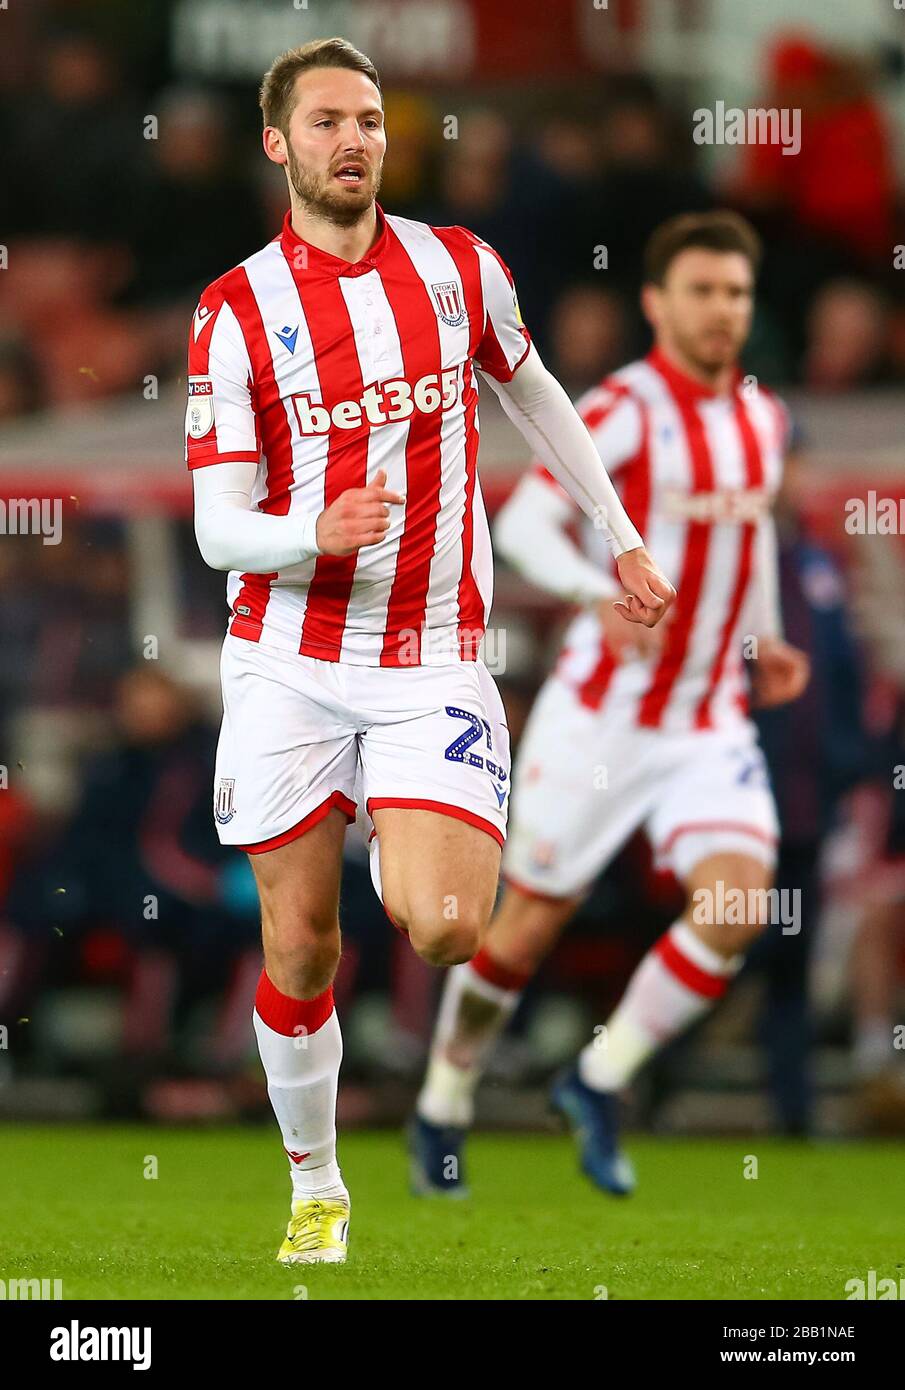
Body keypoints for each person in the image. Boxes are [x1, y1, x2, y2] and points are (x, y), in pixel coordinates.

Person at [186, 37, 674, 1263]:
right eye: (327, 122)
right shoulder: (236, 309)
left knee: (448, 926)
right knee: (299, 941)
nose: (351, 140)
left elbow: (537, 393)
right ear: (278, 143)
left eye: (367, 121)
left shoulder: (459, 271)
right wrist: (311, 529)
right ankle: (315, 1185)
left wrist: (616, 534)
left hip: (430, 657)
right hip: (286, 655)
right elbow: (213, 527)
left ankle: (398, 816)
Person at [411, 211, 810, 1197]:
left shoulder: (762, 417)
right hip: (599, 715)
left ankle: (596, 1078)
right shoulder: (625, 409)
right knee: (522, 929)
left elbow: (748, 537)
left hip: (706, 716)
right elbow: (523, 524)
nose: (721, 310)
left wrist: (765, 635)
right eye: (701, 291)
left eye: (734, 293)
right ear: (654, 302)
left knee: (734, 902)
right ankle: (444, 1096)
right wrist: (598, 593)